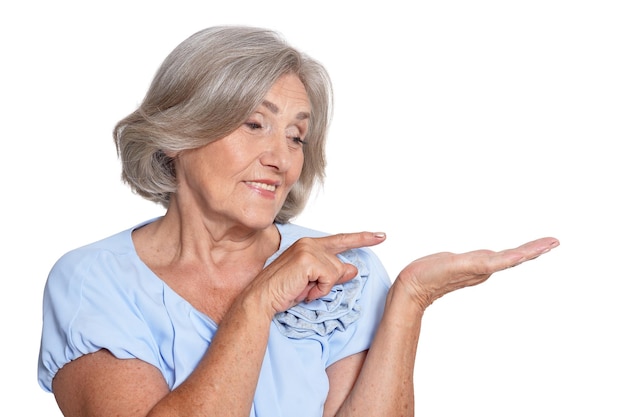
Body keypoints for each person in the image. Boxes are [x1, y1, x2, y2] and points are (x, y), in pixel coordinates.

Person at [37, 25, 559, 417]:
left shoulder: (341, 269)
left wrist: (410, 299)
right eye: (254, 124)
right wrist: (259, 300)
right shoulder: (93, 283)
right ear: (177, 135)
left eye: (296, 136)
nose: (280, 158)